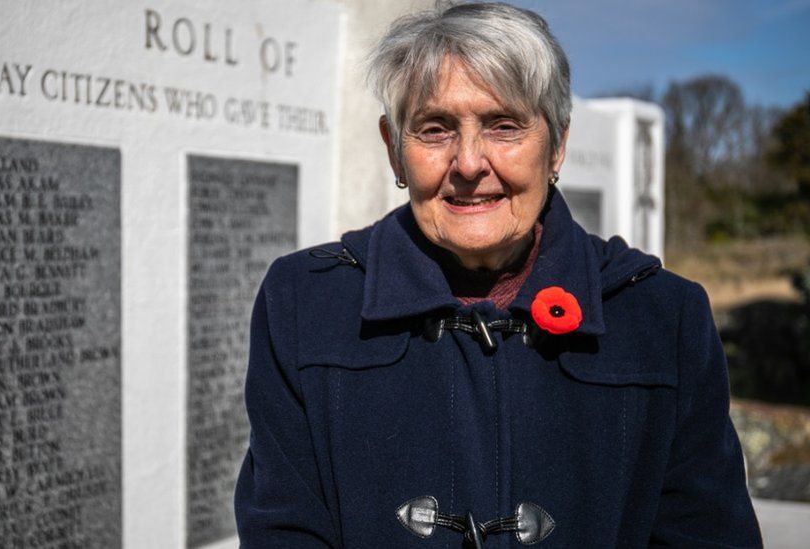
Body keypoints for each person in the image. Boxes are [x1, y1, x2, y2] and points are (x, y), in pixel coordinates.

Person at [234, 2, 762, 547]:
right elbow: (283, 528)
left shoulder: (661, 317)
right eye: (435, 129)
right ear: (395, 151)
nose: (468, 163)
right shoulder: (303, 302)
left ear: (556, 145)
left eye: (503, 126)